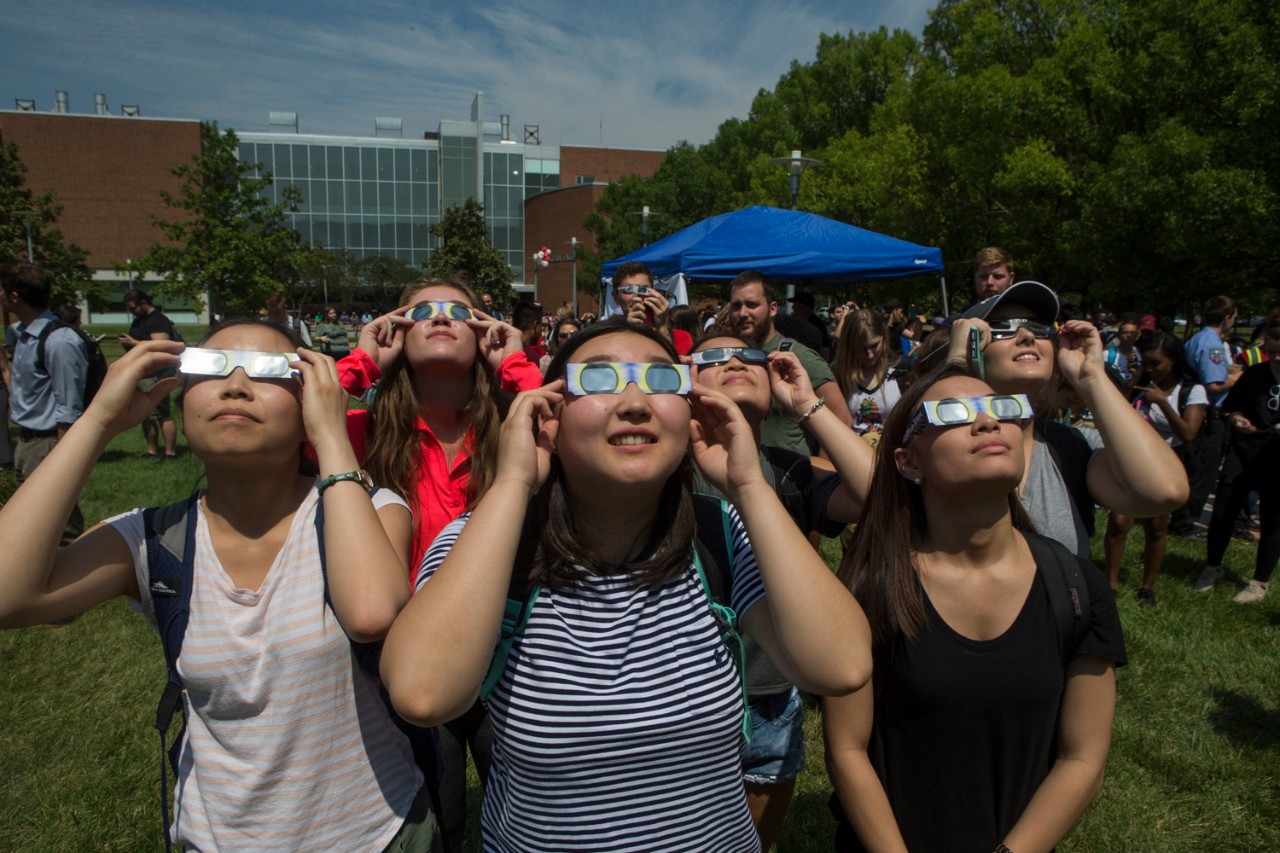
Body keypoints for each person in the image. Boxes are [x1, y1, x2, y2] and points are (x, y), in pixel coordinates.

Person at [381, 317, 872, 852]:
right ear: (550, 415)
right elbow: (421, 694)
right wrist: (513, 484)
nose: (635, 402)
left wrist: (749, 486)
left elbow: (841, 666)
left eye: (662, 381)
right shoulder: (486, 543)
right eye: (598, 380)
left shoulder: (719, 533)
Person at [0, 320, 438, 850]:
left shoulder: (367, 510)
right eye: (210, 367)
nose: (235, 385)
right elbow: (10, 594)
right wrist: (95, 423)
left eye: (270, 371)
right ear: (182, 406)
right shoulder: (154, 537)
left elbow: (371, 613)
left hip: (375, 832)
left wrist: (331, 436)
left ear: (309, 403)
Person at [824, 363, 1126, 853]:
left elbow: (1083, 758)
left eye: (1002, 408)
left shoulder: (1076, 586)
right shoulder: (869, 585)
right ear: (908, 462)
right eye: (952, 413)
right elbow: (846, 750)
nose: (987, 422)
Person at [336, 278, 541, 852]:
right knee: (440, 815)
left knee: (535, 807)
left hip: (507, 645)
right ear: (398, 331)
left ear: (483, 334)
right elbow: (301, 422)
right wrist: (362, 361)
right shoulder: (363, 433)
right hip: (401, 652)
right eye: (422, 311)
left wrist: (517, 364)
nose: (442, 317)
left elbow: (570, 421)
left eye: (460, 310)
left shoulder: (516, 429)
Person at [691, 333, 874, 851]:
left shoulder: (786, 468)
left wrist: (808, 406)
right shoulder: (664, 468)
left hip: (770, 693)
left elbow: (884, 498)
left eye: (748, 355)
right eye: (711, 357)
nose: (732, 361)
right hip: (690, 697)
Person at [948, 281, 1188, 558]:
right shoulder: (932, 446)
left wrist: (1091, 377)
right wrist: (957, 365)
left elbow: (1164, 492)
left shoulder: (1074, 446)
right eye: (1004, 327)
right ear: (972, 347)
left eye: (1039, 328)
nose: (1027, 336)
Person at [1104, 333, 1206, 607]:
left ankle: (1147, 587)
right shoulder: (1141, 383)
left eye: (1155, 364)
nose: (1150, 369)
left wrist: (1162, 402)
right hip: (1131, 460)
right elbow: (1112, 408)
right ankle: (1110, 584)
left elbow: (1188, 433)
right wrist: (1136, 379)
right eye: (1145, 363)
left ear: (1173, 361)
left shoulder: (1191, 390)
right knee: (1119, 522)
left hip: (1165, 462)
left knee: (1157, 526)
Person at [2, 262, 88, 544]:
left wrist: (62, 458)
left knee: (62, 527)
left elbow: (69, 406)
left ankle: (80, 579)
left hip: (49, 443)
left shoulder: (59, 340)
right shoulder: (24, 335)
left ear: (15, 296)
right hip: (28, 443)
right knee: (35, 525)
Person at [1195, 325, 1280, 601]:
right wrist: (1237, 419)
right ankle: (1212, 567)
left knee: (1272, 519)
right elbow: (1231, 407)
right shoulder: (1254, 375)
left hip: (1276, 456)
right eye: (1272, 352)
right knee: (1222, 511)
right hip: (1244, 450)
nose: (1277, 358)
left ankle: (1259, 583)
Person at [728, 270, 852, 455]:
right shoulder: (732, 358)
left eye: (752, 305)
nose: (742, 313)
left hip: (791, 478)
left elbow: (842, 419)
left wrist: (822, 473)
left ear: (773, 309)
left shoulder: (797, 357)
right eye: (736, 306)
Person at [1171, 296, 1241, 537]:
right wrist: (1234, 380)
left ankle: (1181, 519)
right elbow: (1213, 384)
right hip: (1209, 415)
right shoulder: (1211, 342)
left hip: (1199, 411)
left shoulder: (1197, 338)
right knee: (1203, 472)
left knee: (1194, 467)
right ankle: (1184, 524)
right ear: (1227, 317)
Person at [117, 289, 179, 460]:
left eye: (133, 308)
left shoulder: (158, 320)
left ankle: (169, 452)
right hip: (142, 374)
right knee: (145, 414)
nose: (132, 312)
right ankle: (151, 450)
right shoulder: (139, 321)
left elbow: (161, 345)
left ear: (144, 303)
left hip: (157, 374)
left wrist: (133, 342)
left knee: (162, 413)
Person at [833, 308, 907, 445]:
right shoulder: (837, 376)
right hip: (851, 456)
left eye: (874, 346)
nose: (869, 355)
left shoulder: (902, 372)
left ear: (884, 337)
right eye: (861, 348)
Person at [612, 260, 694, 355]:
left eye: (644, 289)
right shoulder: (609, 338)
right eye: (629, 290)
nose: (637, 296)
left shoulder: (681, 337)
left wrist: (662, 328)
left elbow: (673, 368)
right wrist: (630, 332)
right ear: (616, 298)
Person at [786, 292, 831, 360]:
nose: (792, 308)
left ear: (804, 307)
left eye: (795, 305)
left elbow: (824, 349)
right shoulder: (796, 323)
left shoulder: (816, 324)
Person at [1102, 313, 1143, 389]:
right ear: (1118, 336)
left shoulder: (1140, 354)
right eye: (1125, 332)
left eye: (1133, 333)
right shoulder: (1107, 355)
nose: (1129, 335)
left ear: (1137, 336)